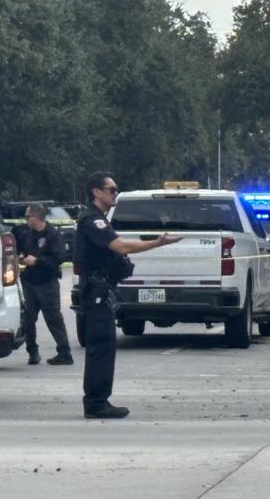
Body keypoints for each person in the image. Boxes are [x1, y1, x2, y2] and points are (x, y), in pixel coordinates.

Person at [74, 172, 182, 419]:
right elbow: (120, 247)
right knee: (101, 347)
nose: (115, 193)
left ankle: (98, 400)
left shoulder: (100, 218)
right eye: (111, 189)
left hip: (102, 290)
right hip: (96, 291)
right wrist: (158, 242)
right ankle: (96, 402)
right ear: (96, 192)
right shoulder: (93, 220)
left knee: (105, 346)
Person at [17, 204, 74, 366]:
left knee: (54, 319)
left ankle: (64, 353)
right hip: (29, 282)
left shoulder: (52, 234)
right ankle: (33, 353)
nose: (26, 219)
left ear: (36, 217)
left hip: (47, 283)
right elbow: (22, 249)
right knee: (28, 319)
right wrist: (22, 256)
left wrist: (37, 261)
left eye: (28, 216)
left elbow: (60, 257)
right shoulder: (27, 233)